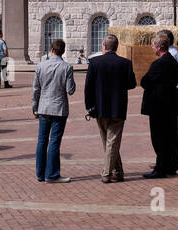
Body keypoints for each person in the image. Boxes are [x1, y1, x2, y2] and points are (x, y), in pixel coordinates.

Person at [85, 34, 137, 183]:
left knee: (109, 142)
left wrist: (89, 106)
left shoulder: (94, 62)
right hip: (118, 107)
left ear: (104, 46)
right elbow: (131, 84)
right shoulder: (125, 63)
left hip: (99, 108)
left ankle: (106, 173)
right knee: (111, 142)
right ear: (117, 46)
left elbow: (88, 88)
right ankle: (117, 172)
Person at [32, 38, 76, 183]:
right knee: (54, 142)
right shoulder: (66, 67)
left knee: (42, 141)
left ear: (51, 50)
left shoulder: (40, 66)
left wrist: (34, 107)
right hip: (59, 108)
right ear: (62, 52)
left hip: (43, 107)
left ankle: (40, 173)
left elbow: (36, 90)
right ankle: (51, 174)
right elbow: (70, 90)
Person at [139, 33, 178, 178]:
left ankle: (161, 168)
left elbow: (145, 81)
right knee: (169, 136)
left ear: (158, 47)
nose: (152, 48)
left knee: (159, 138)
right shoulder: (173, 61)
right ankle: (170, 166)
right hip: (170, 104)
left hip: (158, 106)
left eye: (153, 46)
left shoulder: (159, 63)